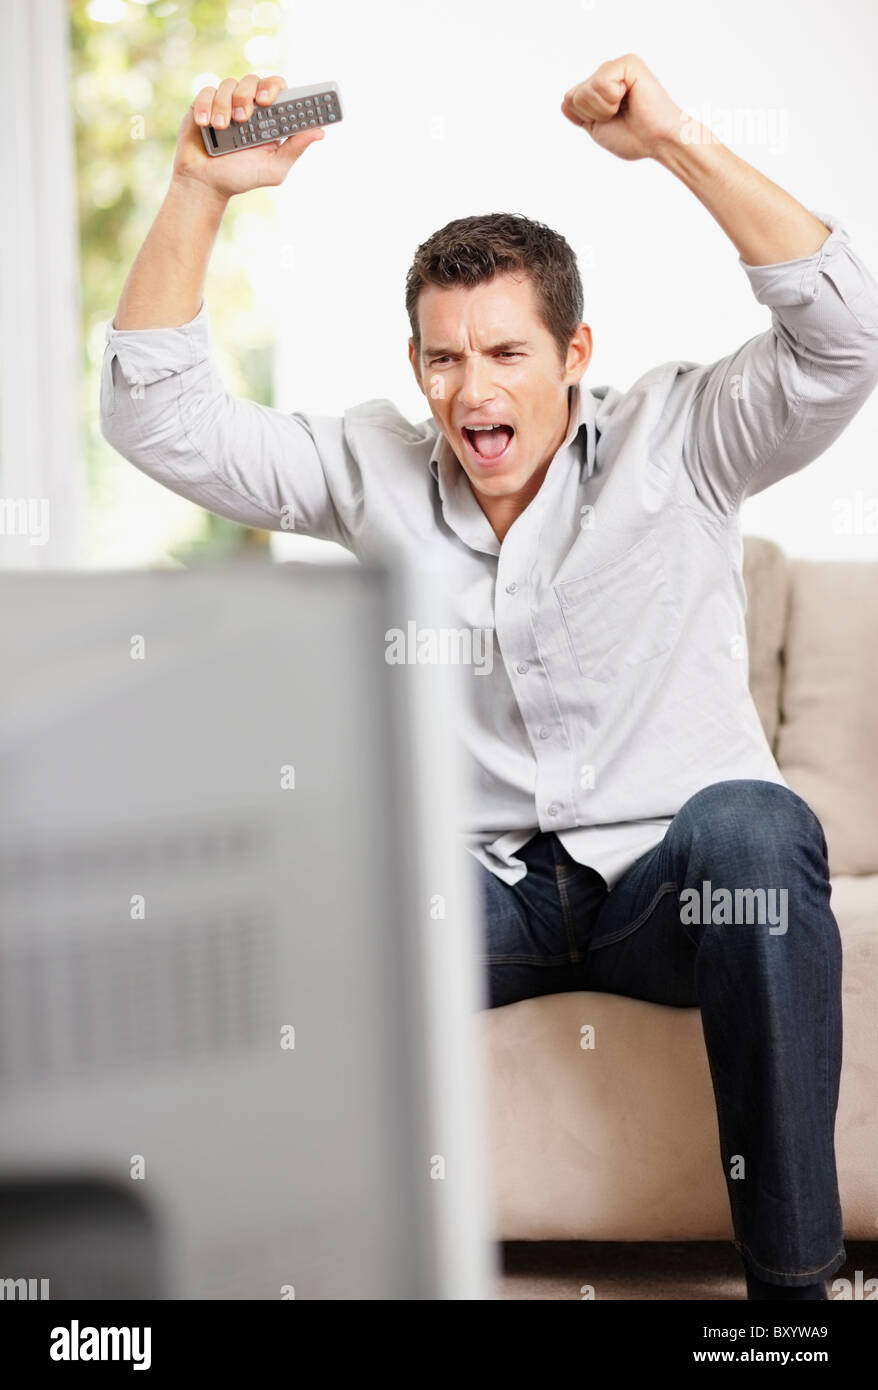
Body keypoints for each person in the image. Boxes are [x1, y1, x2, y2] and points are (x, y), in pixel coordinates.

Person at [100, 54, 878, 1301]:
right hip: (483, 901)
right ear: (416, 366)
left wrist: (675, 141)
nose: (472, 393)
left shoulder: (679, 438)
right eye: (443, 359)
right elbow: (157, 419)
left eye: (505, 352)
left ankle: (795, 1299)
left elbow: (842, 334)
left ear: (574, 351)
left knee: (756, 825)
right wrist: (199, 189)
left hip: (661, 891)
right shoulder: (371, 469)